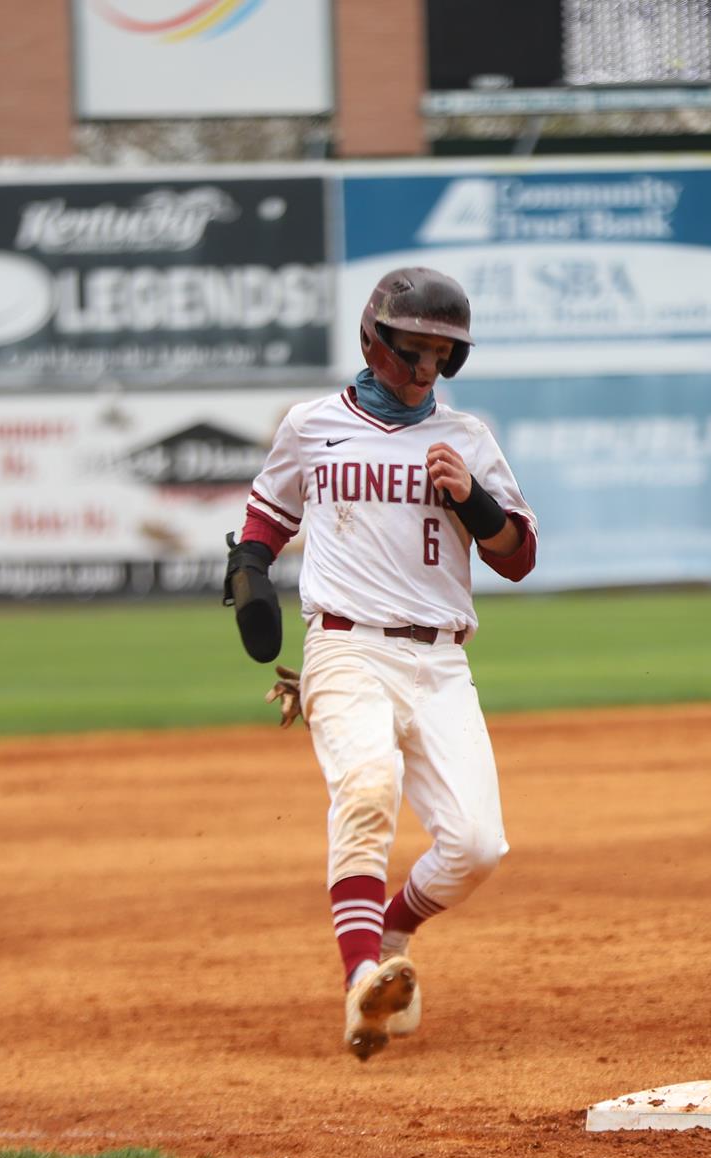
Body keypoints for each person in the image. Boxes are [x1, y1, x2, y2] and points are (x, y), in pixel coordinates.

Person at [224, 267, 537, 1061]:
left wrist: (475, 500)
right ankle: (362, 975)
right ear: (373, 340)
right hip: (343, 645)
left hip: (440, 661)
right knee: (367, 787)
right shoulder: (312, 425)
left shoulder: (468, 439)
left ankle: (392, 928)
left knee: (478, 846)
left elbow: (519, 556)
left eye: (442, 354)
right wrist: (251, 577)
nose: (426, 367)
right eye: (412, 349)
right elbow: (267, 514)